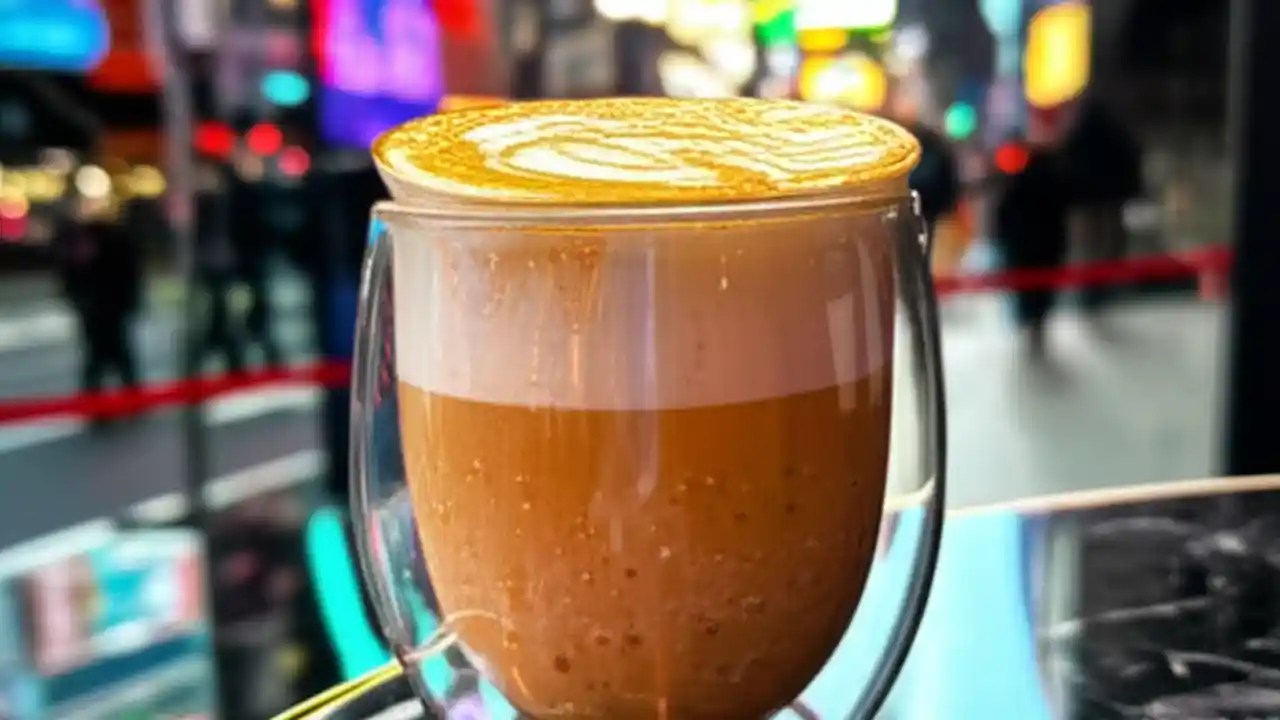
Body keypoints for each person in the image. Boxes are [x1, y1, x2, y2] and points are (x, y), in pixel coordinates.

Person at [1061, 97, 1143, 313]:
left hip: (1087, 201)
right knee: (1109, 247)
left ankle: (1091, 292)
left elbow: (1067, 166)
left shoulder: (1079, 136)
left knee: (1089, 248)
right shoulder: (1116, 134)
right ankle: (1102, 290)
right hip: (1110, 200)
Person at [58, 197, 142, 395]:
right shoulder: (86, 238)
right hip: (98, 305)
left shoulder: (107, 238)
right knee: (109, 355)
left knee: (108, 355)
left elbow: (128, 272)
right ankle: (117, 396)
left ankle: (115, 396)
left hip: (104, 305)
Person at [995, 140, 1069, 357]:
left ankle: (1028, 320)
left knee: (1026, 288)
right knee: (1043, 288)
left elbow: (1004, 216)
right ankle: (1038, 321)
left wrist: (1004, 240)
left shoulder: (1017, 184)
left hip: (1022, 246)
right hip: (1047, 245)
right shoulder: (1054, 185)